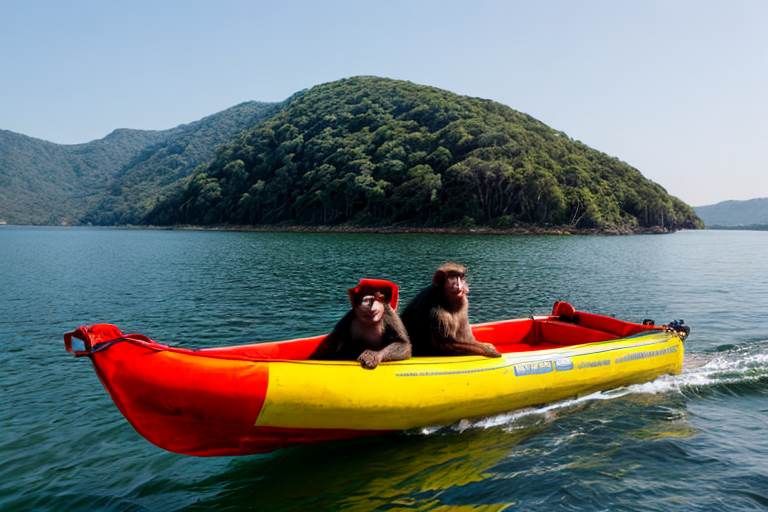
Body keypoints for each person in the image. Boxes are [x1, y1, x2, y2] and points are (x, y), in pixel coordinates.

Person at [401, 263, 501, 358]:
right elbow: (443, 344)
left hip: (443, 346)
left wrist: (479, 346)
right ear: (439, 281)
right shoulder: (435, 307)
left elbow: (465, 336)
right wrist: (481, 351)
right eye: (452, 278)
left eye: (461, 278)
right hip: (421, 350)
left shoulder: (462, 302)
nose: (458, 285)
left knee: (486, 346)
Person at [310, 279, 412, 369]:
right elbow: (333, 346)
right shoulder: (349, 320)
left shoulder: (388, 316)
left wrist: (379, 355)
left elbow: (405, 347)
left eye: (378, 297)